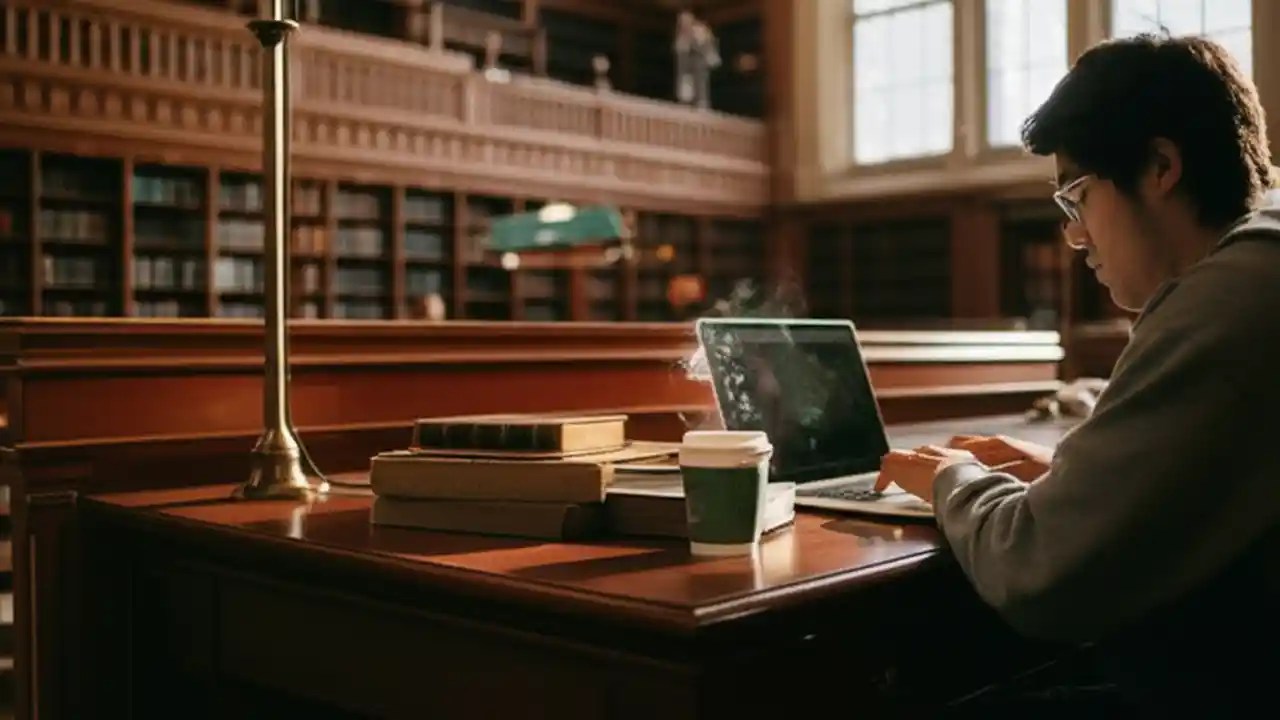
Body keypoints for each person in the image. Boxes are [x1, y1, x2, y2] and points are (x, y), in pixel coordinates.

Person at [877, 33, 1280, 717]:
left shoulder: (1235, 294)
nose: (1076, 236)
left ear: (1159, 165)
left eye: (1078, 197)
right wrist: (1071, 472)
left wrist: (952, 481)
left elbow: (1037, 570)